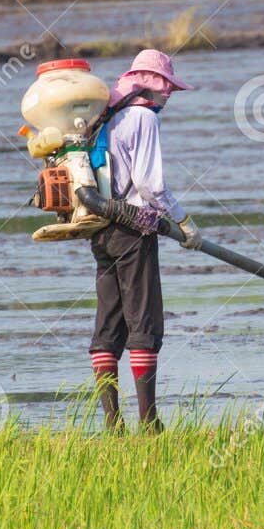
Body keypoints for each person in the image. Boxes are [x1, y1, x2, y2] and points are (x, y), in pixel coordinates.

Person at [89, 49, 203, 432]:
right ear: (151, 86)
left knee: (108, 325)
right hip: (134, 229)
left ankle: (112, 424)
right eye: (167, 87)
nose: (169, 95)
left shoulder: (111, 115)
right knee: (144, 323)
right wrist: (184, 220)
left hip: (101, 229)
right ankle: (150, 423)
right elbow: (150, 185)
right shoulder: (143, 118)